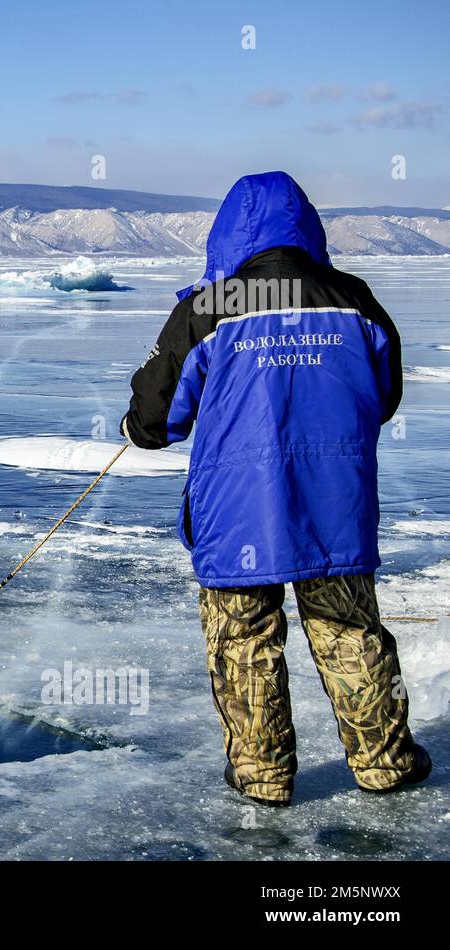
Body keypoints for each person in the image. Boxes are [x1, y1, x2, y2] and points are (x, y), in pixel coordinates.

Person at [120, 171, 431, 806]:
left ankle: (262, 776)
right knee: (350, 631)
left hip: (238, 513)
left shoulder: (208, 308)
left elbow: (157, 419)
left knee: (243, 640)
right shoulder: (355, 298)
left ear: (230, 233)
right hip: (333, 503)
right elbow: (386, 394)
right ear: (307, 227)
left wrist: (136, 424)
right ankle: (384, 763)